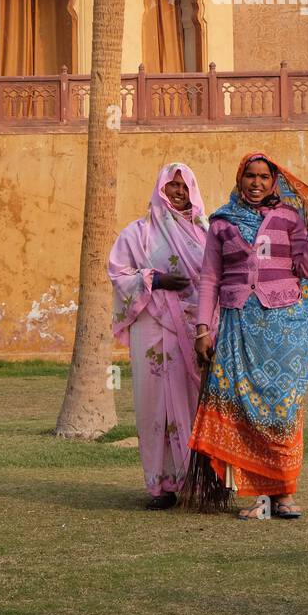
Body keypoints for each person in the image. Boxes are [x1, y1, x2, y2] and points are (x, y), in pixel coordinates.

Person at [189, 153, 308, 520]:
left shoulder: (289, 219)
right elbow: (209, 279)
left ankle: (284, 494)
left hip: (284, 330)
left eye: (264, 177)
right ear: (240, 179)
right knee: (247, 412)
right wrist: (203, 328)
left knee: (282, 409)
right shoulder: (221, 222)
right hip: (238, 327)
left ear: (273, 181)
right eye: (250, 176)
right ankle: (262, 498)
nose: (256, 183)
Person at [107, 163, 212, 509]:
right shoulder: (138, 234)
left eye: (184, 186)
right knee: (155, 406)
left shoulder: (207, 233)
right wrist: (156, 280)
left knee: (193, 401)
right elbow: (118, 274)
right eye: (172, 185)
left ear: (193, 190)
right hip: (152, 326)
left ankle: (199, 482)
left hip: (196, 331)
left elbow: (218, 279)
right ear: (160, 189)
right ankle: (162, 485)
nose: (178, 192)